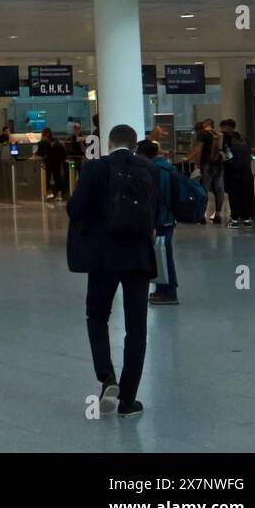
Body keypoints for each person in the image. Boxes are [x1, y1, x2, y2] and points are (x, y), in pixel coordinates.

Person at [67, 123, 159, 418]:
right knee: (137, 328)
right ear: (134, 145)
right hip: (138, 259)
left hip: (103, 258)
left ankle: (107, 378)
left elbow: (75, 209)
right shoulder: (149, 169)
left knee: (97, 315)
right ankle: (128, 400)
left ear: (109, 143)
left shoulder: (96, 168)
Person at [137, 139, 180, 305]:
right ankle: (163, 288)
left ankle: (169, 292)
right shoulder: (164, 167)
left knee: (164, 255)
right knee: (162, 255)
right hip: (167, 217)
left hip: (164, 218)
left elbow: (157, 197)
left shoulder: (156, 170)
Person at [186, 119, 224, 225]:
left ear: (206, 124)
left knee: (204, 189)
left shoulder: (202, 134)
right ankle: (218, 215)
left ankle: (201, 216)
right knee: (218, 189)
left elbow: (199, 149)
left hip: (206, 164)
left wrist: (191, 160)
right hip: (218, 164)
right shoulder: (218, 134)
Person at [219, 118, 254, 227]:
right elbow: (250, 153)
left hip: (232, 170)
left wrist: (222, 157)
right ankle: (247, 218)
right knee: (246, 194)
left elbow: (225, 154)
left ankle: (234, 219)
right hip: (246, 171)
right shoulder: (243, 138)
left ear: (226, 127)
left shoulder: (225, 137)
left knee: (234, 195)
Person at [38, 127, 67, 200]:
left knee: (46, 178)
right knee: (57, 178)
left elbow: (40, 153)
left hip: (48, 163)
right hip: (57, 162)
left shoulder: (42, 143)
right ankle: (59, 194)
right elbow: (62, 153)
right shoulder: (56, 142)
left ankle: (48, 194)